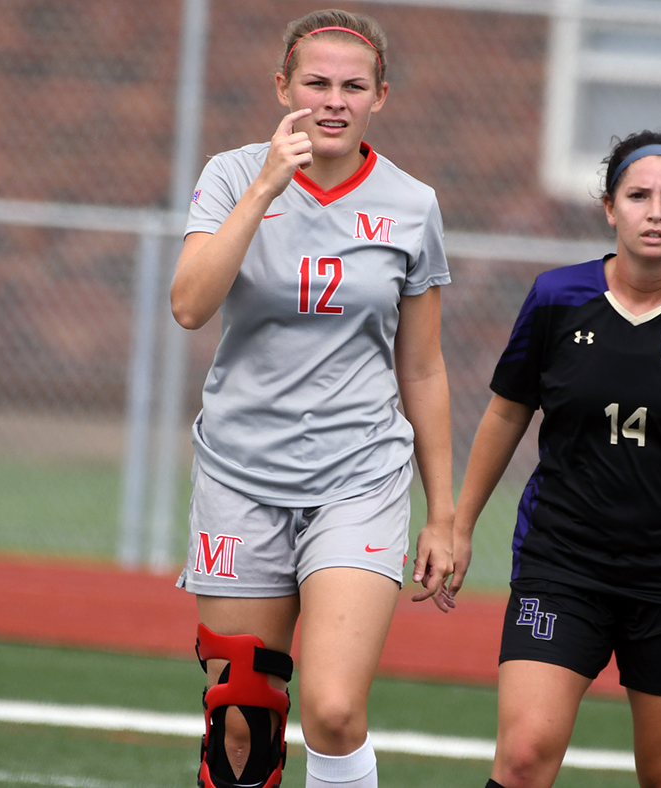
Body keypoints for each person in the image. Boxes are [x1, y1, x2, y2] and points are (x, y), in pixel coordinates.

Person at [171, 9, 456, 788]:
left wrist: (443, 513)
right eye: (316, 83)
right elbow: (190, 305)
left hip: (356, 479)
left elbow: (424, 370)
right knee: (242, 721)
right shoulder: (233, 174)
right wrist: (267, 184)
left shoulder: (411, 204)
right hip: (240, 476)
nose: (334, 100)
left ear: (380, 97)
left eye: (353, 86)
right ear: (283, 88)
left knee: (332, 708)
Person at [448, 130, 661, 788]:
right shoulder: (556, 299)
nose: (655, 211)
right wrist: (458, 526)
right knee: (522, 756)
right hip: (562, 563)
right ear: (609, 208)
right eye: (638, 196)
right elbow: (506, 414)